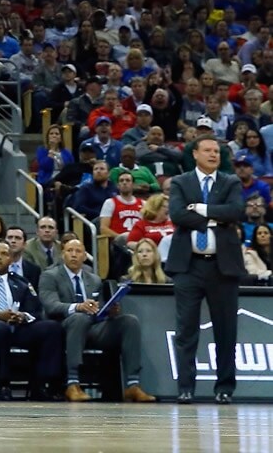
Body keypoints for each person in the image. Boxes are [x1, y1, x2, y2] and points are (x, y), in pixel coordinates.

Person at [166, 134, 246, 404]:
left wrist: (201, 209)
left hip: (223, 268)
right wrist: (214, 219)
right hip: (188, 266)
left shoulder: (231, 181)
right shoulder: (180, 181)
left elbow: (235, 211)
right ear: (196, 154)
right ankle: (185, 388)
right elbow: (177, 214)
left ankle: (225, 388)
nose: (214, 155)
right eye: (208, 150)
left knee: (226, 331)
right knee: (186, 330)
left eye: (217, 151)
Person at [38, 237, 153, 402]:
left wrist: (110, 311)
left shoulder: (94, 279)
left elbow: (98, 308)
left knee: (130, 321)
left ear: (85, 256)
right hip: (62, 327)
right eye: (69, 251)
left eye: (78, 251)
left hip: (93, 327)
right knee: (79, 318)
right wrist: (78, 307)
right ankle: (72, 383)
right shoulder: (50, 276)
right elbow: (51, 305)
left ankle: (132, 385)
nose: (73, 255)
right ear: (62, 254)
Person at [0, 241, 65, 401]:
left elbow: (36, 310)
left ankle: (42, 384)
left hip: (17, 326)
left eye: (4, 254)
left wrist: (23, 316)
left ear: (11, 260)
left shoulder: (21, 282)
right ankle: (3, 384)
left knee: (52, 328)